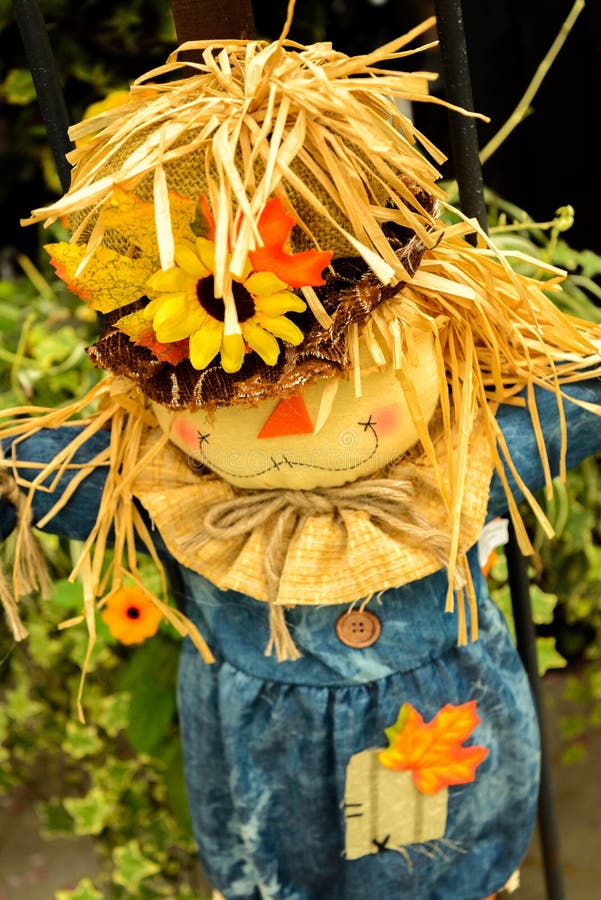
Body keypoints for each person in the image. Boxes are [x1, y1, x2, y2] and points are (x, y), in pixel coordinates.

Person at [2, 12, 601, 899]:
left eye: (327, 383)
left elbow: (577, 401)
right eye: (235, 401)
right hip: (260, 784)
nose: (282, 425)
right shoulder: (175, 489)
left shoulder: (461, 456)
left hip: (449, 741)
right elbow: (41, 471)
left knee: (455, 861)